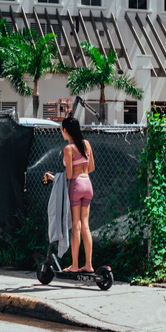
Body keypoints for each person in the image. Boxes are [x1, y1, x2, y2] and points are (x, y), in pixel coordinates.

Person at [44, 116, 95, 272]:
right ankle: (88, 265)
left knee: (76, 226)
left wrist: (52, 177)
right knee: (85, 225)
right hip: (88, 185)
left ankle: (74, 265)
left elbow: (68, 175)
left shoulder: (69, 148)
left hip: (76, 186)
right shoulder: (86, 144)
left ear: (65, 130)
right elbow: (91, 167)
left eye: (62, 130)